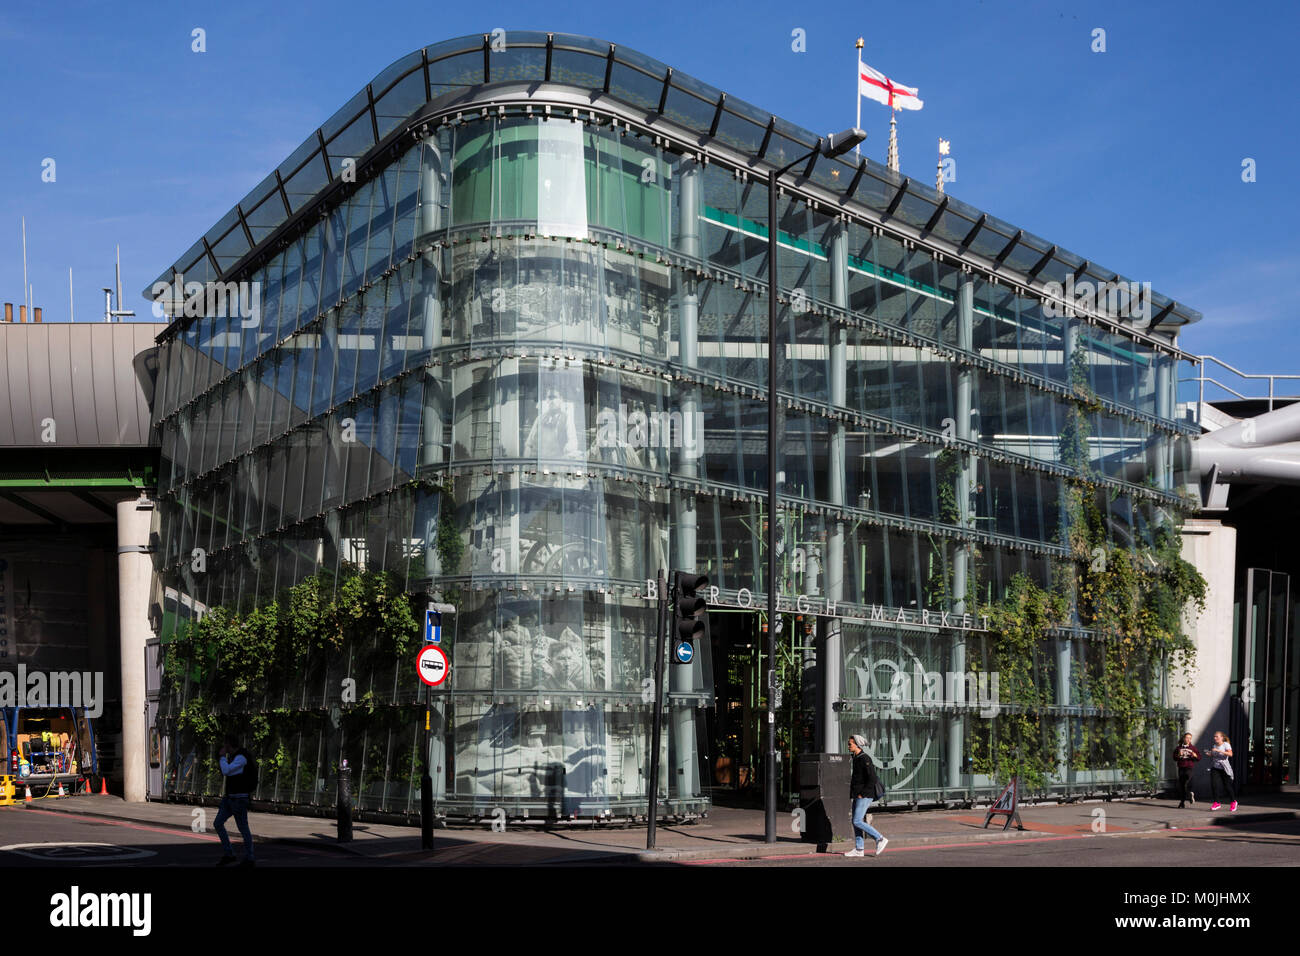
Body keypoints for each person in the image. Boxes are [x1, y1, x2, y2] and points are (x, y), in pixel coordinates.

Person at [215, 734, 257, 866]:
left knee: (243, 828)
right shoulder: (234, 757)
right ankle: (229, 853)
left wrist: (222, 757)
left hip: (239, 799)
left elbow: (226, 770)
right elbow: (226, 771)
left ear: (228, 744)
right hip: (230, 798)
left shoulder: (241, 758)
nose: (223, 747)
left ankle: (250, 858)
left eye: (224, 744)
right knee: (218, 823)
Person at [844, 735, 888, 858]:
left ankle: (880, 838)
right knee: (855, 822)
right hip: (857, 795)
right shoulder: (856, 758)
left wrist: (862, 793)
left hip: (864, 795)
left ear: (857, 745)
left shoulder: (864, 758)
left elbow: (872, 778)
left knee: (857, 820)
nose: (848, 746)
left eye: (850, 744)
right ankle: (859, 849)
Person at [1206, 731, 1237, 812]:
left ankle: (1233, 802)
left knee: (1227, 786)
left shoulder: (1225, 744)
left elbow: (1230, 754)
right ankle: (1217, 803)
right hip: (1215, 767)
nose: (1215, 738)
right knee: (1214, 784)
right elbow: (1214, 755)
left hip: (1224, 768)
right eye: (1214, 736)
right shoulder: (1214, 745)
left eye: (1216, 736)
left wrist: (1219, 751)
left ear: (1222, 737)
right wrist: (1210, 753)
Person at [1172, 732, 1201, 809]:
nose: (1188, 739)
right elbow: (1174, 758)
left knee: (1188, 779)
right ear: (1183, 738)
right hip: (1181, 767)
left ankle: (1190, 793)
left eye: (1190, 738)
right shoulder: (1178, 748)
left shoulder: (1193, 748)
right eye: (1187, 738)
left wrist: (1194, 755)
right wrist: (1179, 754)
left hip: (1189, 767)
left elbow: (1199, 758)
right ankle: (1182, 802)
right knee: (1182, 785)